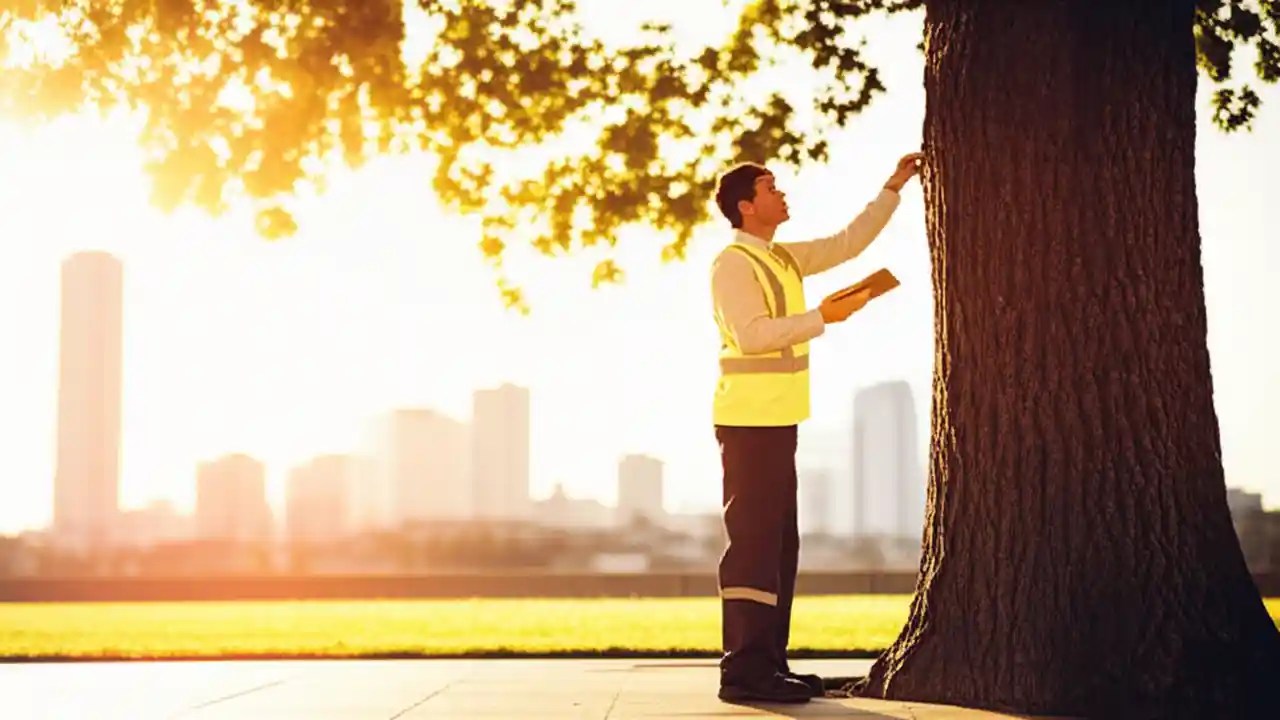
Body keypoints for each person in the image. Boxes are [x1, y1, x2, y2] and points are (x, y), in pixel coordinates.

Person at [709, 151, 923, 704]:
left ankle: (769, 665)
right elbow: (752, 335)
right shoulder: (733, 264)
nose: (781, 194)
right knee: (754, 546)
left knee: (780, 548)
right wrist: (822, 317)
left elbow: (848, 243)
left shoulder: (781, 258)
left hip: (778, 421)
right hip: (748, 423)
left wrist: (893, 186)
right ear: (745, 205)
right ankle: (743, 672)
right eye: (770, 187)